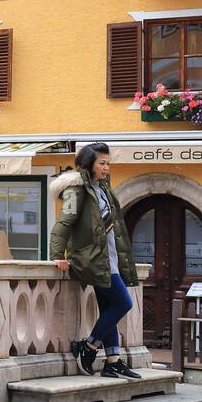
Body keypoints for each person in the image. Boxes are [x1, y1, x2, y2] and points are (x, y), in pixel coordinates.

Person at [50, 143, 142, 379]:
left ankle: (113, 361)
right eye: (102, 163)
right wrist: (57, 255)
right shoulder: (76, 190)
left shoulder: (102, 189)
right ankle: (89, 346)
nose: (106, 167)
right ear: (89, 164)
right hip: (92, 260)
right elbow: (63, 224)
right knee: (123, 303)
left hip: (109, 258)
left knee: (108, 308)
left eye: (108, 163)